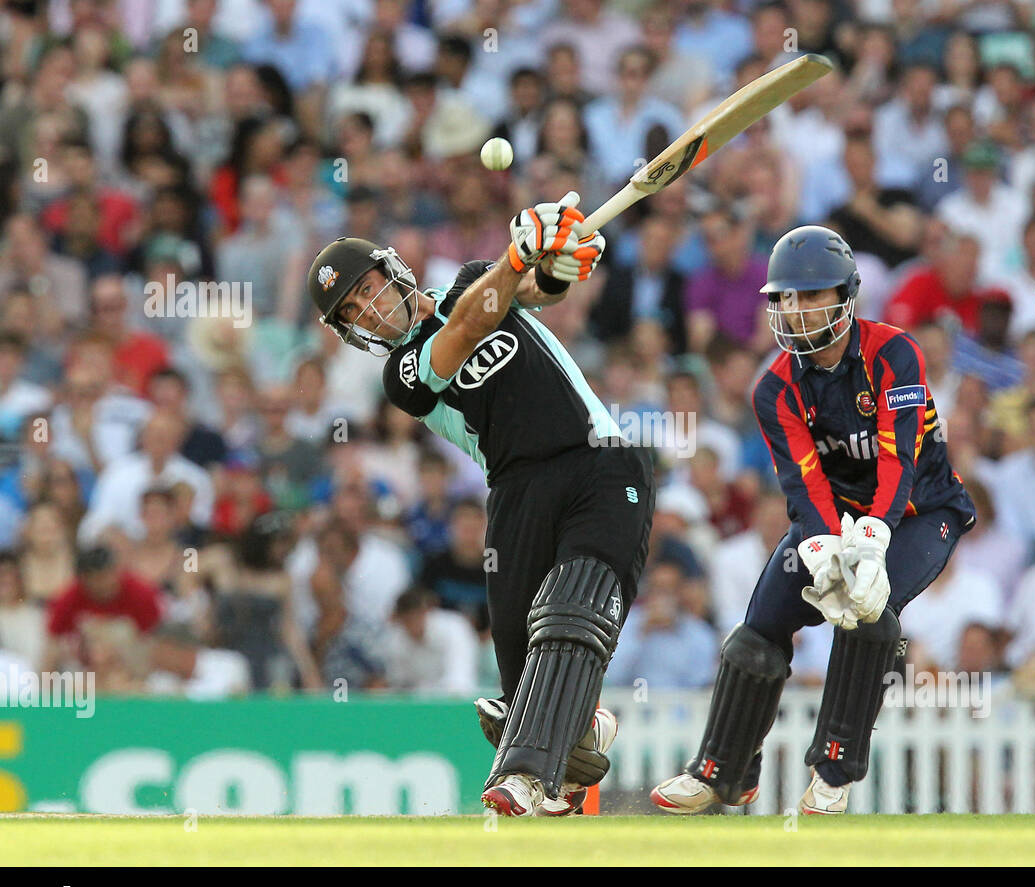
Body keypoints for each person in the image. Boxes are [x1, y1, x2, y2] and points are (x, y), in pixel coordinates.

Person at [305, 191, 655, 816]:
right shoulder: (402, 375)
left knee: (571, 617)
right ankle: (580, 735)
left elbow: (541, 292)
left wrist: (556, 255)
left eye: (368, 289)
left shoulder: (471, 278)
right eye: (351, 311)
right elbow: (469, 325)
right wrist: (518, 256)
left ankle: (522, 775)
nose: (369, 310)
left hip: (597, 463)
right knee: (526, 680)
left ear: (395, 271)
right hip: (516, 494)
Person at [651, 225, 976, 815]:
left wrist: (872, 541)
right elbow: (802, 482)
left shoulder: (894, 352)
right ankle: (722, 772)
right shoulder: (773, 387)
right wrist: (826, 547)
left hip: (920, 511)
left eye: (809, 295)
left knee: (869, 616)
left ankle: (833, 770)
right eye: (784, 298)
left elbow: (896, 457)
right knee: (757, 632)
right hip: (832, 514)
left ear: (845, 296)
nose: (794, 310)